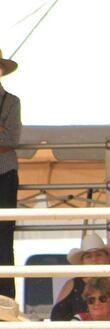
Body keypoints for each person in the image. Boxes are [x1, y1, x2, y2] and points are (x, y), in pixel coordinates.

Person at [0, 51, 20, 300]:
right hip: (4, 171)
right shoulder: (10, 104)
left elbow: (10, 140)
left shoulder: (12, 102)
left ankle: (5, 304)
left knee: (3, 241)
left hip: (3, 176)